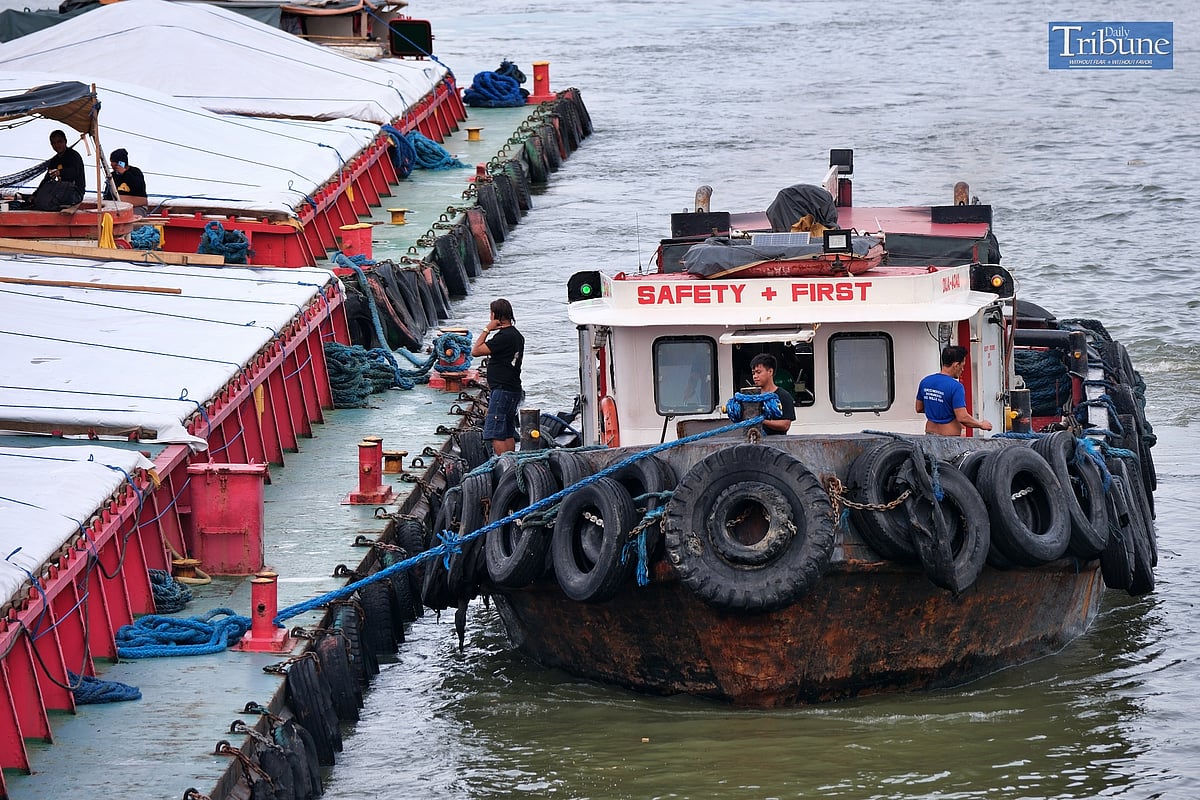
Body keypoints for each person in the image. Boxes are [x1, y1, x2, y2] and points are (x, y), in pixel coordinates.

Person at [471, 298, 524, 454]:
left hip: (502, 390)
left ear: (494, 314)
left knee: (496, 432)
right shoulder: (517, 335)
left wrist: (487, 329)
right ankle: (512, 462)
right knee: (507, 430)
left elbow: (476, 350)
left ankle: (504, 464)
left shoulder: (503, 337)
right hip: (512, 388)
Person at [916, 345, 993, 436]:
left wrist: (938, 409)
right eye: (962, 366)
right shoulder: (956, 387)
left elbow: (919, 408)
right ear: (956, 365)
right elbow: (962, 417)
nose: (963, 369)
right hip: (949, 439)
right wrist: (981, 425)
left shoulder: (925, 381)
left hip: (929, 434)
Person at [30, 129, 86, 210]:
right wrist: (35, 194)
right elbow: (46, 179)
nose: (57, 145)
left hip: (75, 193)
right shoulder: (54, 160)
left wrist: (60, 172)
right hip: (60, 192)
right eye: (53, 143)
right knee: (47, 187)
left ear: (65, 141)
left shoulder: (74, 156)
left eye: (59, 142)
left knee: (58, 188)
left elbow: (74, 172)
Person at [750, 353, 795, 435]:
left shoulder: (784, 396)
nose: (755, 376)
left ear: (770, 371)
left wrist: (762, 421)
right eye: (753, 373)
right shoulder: (751, 397)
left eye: (758, 372)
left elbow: (785, 425)